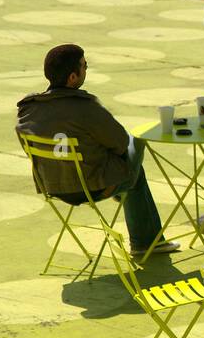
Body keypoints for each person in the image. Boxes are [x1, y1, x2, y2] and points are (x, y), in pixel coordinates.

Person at [16, 44, 178, 259]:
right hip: (92, 187)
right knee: (135, 144)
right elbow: (120, 142)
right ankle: (145, 242)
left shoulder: (28, 109)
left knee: (116, 160)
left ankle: (128, 203)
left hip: (53, 185)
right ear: (73, 77)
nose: (86, 69)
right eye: (85, 66)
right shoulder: (85, 108)